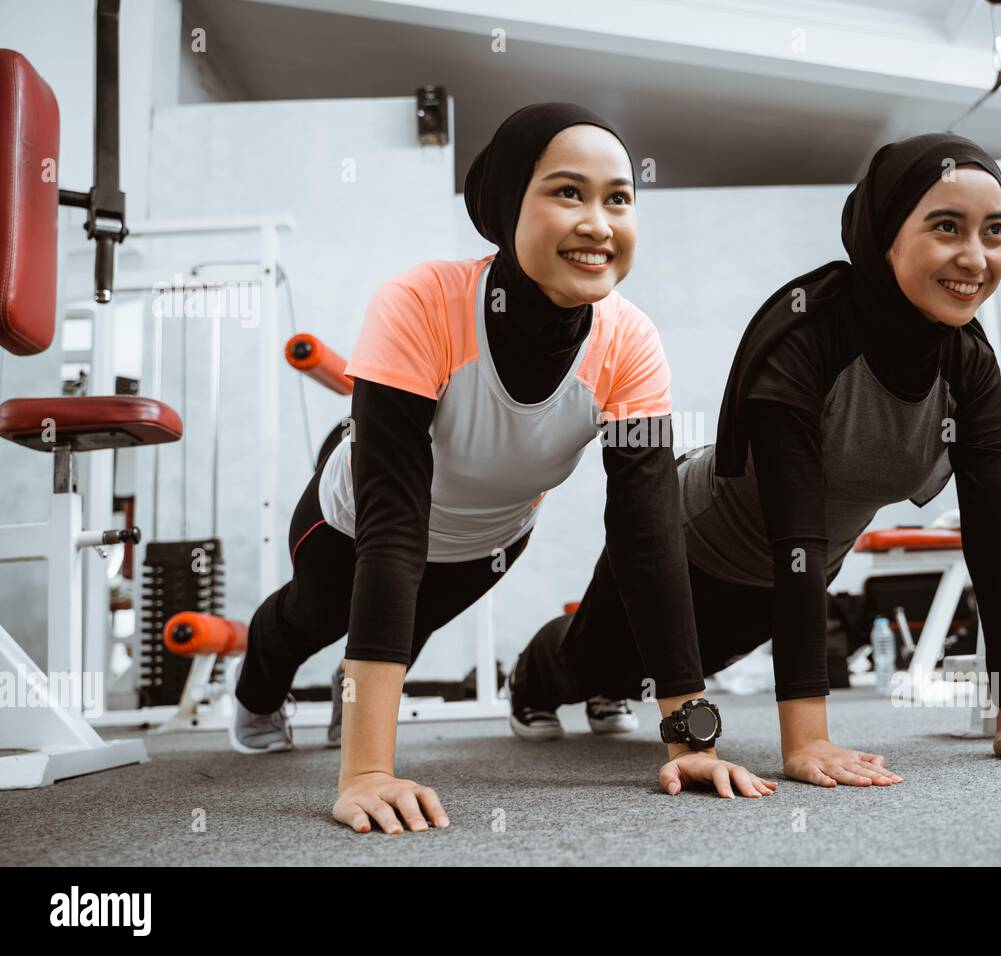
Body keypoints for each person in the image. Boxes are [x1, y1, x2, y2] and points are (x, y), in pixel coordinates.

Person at [231, 103, 774, 835]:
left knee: (412, 624)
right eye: (567, 192)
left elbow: (648, 537)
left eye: (619, 197)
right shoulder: (419, 301)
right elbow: (393, 524)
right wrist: (366, 775)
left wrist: (692, 738)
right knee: (310, 619)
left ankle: (352, 699)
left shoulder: (631, 341)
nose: (598, 222)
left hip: (488, 540)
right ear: (505, 205)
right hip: (357, 523)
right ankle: (259, 694)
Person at [511, 132, 1001, 786]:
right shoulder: (805, 337)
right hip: (686, 546)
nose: (975, 257)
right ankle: (531, 678)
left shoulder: (968, 362)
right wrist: (808, 742)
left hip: (792, 575)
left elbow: (998, 534)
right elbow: (792, 532)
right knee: (584, 664)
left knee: (659, 672)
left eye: (993, 232)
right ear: (885, 234)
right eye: (947, 227)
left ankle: (617, 688)